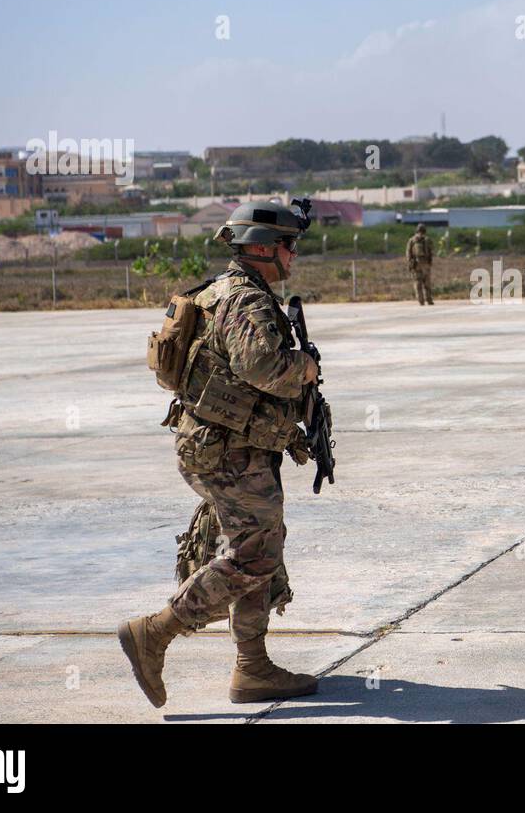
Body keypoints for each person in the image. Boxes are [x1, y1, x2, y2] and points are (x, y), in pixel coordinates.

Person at [118, 199, 323, 707]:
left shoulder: (220, 290)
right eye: (287, 244)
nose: (293, 255)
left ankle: (252, 669)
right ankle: (155, 632)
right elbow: (262, 368)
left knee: (257, 550)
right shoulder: (246, 300)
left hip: (225, 446)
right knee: (255, 555)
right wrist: (306, 368)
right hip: (229, 452)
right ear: (259, 246)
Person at [405, 222, 434, 304]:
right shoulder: (428, 239)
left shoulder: (412, 240)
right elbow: (431, 251)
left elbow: (408, 252)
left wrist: (410, 262)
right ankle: (429, 299)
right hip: (426, 264)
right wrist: (430, 261)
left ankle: (421, 300)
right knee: (427, 282)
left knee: (418, 282)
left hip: (416, 264)